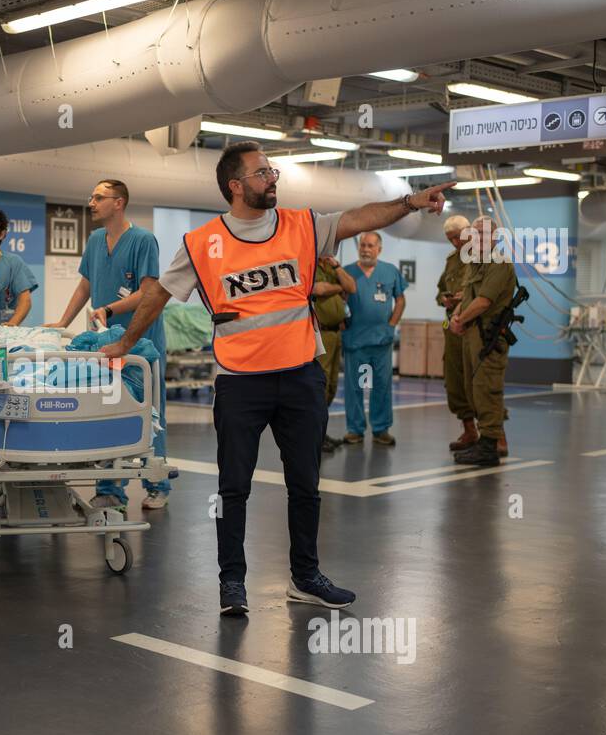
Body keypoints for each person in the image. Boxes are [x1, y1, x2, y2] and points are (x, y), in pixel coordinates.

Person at [100, 141, 452, 615]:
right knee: (233, 488)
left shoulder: (301, 225)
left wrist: (410, 202)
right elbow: (159, 293)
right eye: (263, 173)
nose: (273, 179)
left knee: (305, 484)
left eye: (272, 171)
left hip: (300, 377)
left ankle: (305, 577)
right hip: (240, 382)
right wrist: (123, 344)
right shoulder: (203, 243)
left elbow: (359, 218)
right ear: (235, 186)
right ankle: (231, 582)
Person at [46, 179, 171, 511]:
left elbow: (149, 292)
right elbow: (85, 284)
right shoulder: (96, 239)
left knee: (150, 412)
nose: (92, 202)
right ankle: (110, 490)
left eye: (99, 197)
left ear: (119, 202)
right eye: (91, 197)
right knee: (106, 411)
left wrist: (111, 309)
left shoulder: (143, 240)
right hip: (104, 344)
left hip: (140, 343)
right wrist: (62, 320)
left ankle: (157, 482)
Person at [450, 215, 516, 466]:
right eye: (475, 233)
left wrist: (461, 319)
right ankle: (483, 441)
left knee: (487, 388)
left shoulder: (499, 263)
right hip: (471, 334)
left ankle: (490, 444)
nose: (477, 238)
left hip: (488, 335)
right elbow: (467, 296)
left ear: (495, 238)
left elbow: (484, 301)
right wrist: (457, 317)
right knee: (472, 389)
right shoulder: (474, 263)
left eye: (483, 234)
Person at [341, 231, 405, 446]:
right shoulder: (347, 272)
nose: (365, 249)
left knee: (381, 385)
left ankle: (381, 429)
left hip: (381, 341)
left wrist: (391, 325)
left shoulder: (390, 272)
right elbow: (338, 302)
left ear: (379, 249)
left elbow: (400, 300)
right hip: (356, 341)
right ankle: (355, 429)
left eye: (370, 245)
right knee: (356, 387)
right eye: (362, 245)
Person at [437, 215, 477, 453]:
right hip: (452, 327)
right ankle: (469, 430)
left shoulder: (484, 257)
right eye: (449, 239)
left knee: (479, 381)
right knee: (454, 380)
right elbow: (440, 289)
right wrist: (443, 298)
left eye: (457, 237)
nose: (454, 243)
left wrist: (466, 297)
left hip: (475, 327)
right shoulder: (452, 261)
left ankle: (495, 435)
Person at [311, 254, 356, 451]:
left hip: (337, 333)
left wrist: (337, 266)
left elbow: (352, 287)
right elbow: (318, 289)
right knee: (320, 385)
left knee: (331, 386)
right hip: (321, 333)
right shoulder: (311, 264)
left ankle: (321, 432)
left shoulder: (331, 267)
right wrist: (339, 288)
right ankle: (314, 436)